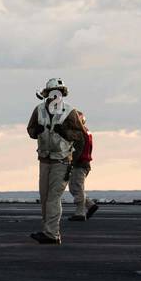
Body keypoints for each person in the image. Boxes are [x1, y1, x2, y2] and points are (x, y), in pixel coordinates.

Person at [26, 78, 88, 244]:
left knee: (53, 198)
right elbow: (30, 129)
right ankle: (48, 230)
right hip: (45, 160)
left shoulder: (69, 112)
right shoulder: (39, 110)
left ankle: (51, 233)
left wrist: (66, 133)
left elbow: (81, 136)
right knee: (45, 197)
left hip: (62, 161)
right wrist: (35, 131)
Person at [67, 113, 98, 221]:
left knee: (77, 188)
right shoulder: (86, 131)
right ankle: (90, 204)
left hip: (79, 164)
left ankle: (80, 213)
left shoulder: (79, 133)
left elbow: (77, 151)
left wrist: (71, 163)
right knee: (75, 187)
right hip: (84, 163)